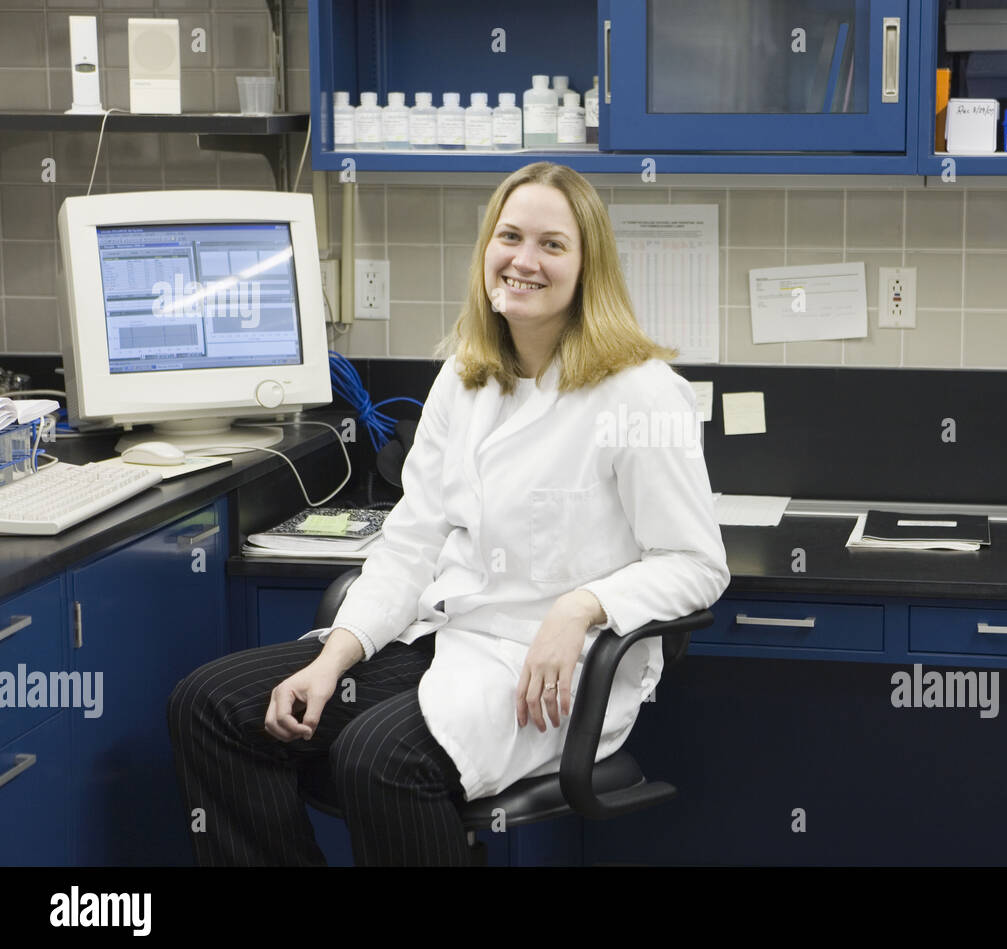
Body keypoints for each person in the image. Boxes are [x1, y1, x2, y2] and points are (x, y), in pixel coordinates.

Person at [167, 162, 730, 866]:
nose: (524, 260)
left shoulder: (641, 393)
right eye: (510, 237)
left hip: (553, 673)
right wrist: (333, 656)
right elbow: (410, 545)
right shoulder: (466, 374)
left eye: (553, 245)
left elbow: (696, 565)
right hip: (446, 638)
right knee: (212, 705)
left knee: (377, 758)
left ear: (590, 267)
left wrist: (580, 607)